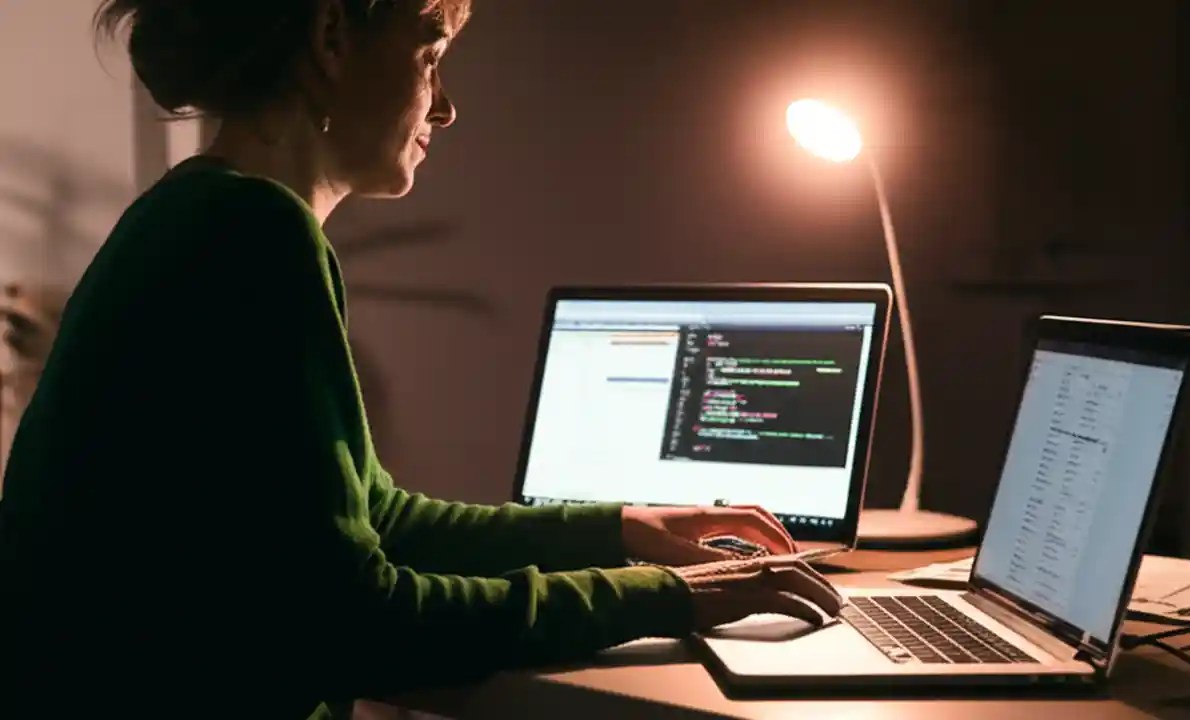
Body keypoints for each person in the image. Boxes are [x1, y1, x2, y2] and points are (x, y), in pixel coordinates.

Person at [0, 1, 843, 718]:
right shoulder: (248, 236)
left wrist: (621, 527)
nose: (443, 109)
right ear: (332, 39)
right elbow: (359, 618)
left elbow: (379, 522)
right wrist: (666, 597)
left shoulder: (196, 214)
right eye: (430, 57)